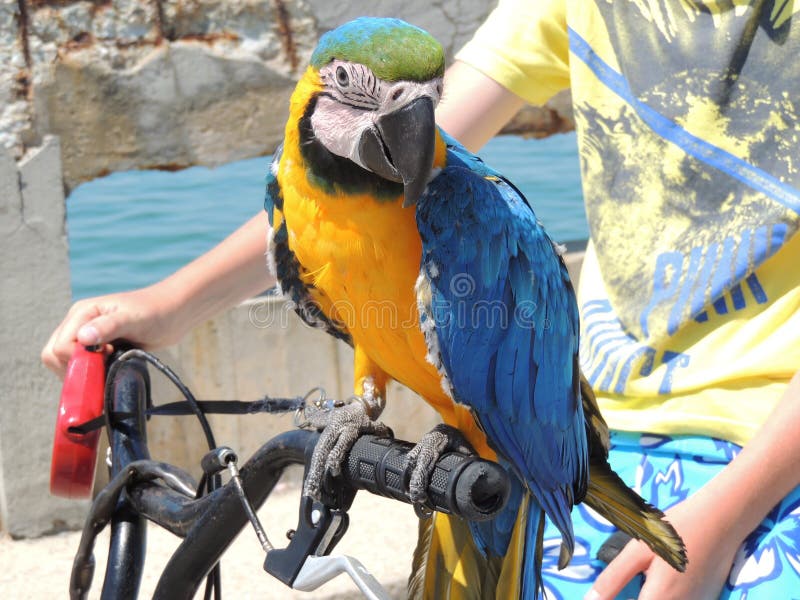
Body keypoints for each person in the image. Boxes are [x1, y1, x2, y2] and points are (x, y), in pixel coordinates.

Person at [43, 2, 800, 599]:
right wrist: (167, 308)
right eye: (358, 93)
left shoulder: (458, 209)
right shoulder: (298, 196)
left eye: (418, 102)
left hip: (763, 447)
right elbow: (322, 225)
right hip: (615, 407)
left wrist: (727, 517)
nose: (405, 117)